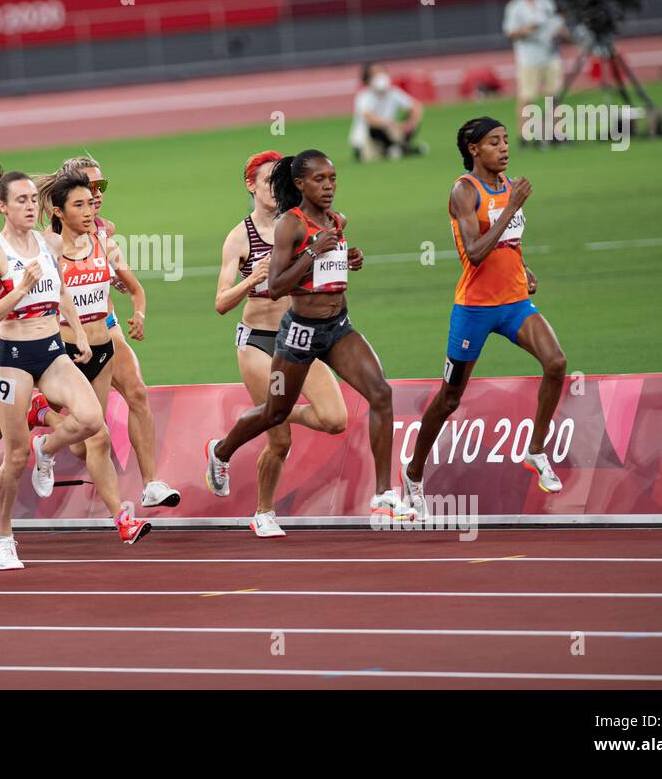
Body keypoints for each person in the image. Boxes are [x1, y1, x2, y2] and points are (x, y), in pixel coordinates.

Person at [205, 150, 414, 522]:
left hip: (337, 328)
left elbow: (327, 265)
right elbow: (276, 284)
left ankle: (384, 495)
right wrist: (313, 254)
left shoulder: (336, 220)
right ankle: (222, 451)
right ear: (300, 184)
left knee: (380, 393)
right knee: (275, 414)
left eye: (333, 179)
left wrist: (347, 260)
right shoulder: (291, 225)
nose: (329, 186)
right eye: (320, 180)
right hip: (299, 333)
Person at [0, 164, 147, 570]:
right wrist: (19, 290)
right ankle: (1, 535)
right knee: (15, 457)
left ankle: (44, 445)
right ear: (2, 206)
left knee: (91, 420)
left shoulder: (49, 244)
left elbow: (62, 289)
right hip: (14, 359)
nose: (30, 206)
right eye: (21, 200)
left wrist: (82, 334)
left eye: (34, 198)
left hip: (52, 349)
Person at [400, 118, 566, 517]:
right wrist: (510, 209)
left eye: (506, 141)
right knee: (450, 398)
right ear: (474, 150)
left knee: (556, 363)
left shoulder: (507, 187)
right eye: (494, 142)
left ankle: (537, 451)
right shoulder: (464, 190)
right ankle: (414, 473)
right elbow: (474, 252)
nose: (505, 148)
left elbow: (509, 242)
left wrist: (522, 269)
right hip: (474, 309)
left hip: (513, 304)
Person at [216, 151, 350, 537]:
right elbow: (221, 303)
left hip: (301, 336)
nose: (277, 188)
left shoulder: (299, 225)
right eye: (268, 181)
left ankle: (256, 418)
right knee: (279, 436)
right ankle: (263, 512)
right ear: (251, 186)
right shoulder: (240, 236)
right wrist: (250, 279)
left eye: (282, 180)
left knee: (335, 419)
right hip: (258, 341)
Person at [48, 155, 180, 508]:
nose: (97, 195)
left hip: (106, 329)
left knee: (136, 391)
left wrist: (129, 299)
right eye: (89, 188)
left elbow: (122, 277)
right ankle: (14, 427)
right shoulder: (50, 242)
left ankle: (150, 484)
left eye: (100, 187)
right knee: (81, 436)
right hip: (63, 338)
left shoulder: (105, 229)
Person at [503, 0, 567, 146]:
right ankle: (524, 136)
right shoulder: (515, 6)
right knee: (527, 97)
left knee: (554, 96)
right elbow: (509, 32)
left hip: (550, 54)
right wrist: (526, 29)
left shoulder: (546, 1)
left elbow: (556, 23)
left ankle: (557, 133)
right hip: (528, 57)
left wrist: (562, 32)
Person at [350, 63, 427, 161]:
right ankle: (399, 149)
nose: (380, 76)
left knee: (409, 118)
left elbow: (416, 107)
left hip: (390, 132)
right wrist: (393, 125)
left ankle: (395, 148)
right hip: (366, 139)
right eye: (375, 74)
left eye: (381, 72)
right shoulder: (364, 96)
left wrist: (410, 124)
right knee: (377, 130)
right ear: (367, 79)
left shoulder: (393, 92)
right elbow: (369, 118)